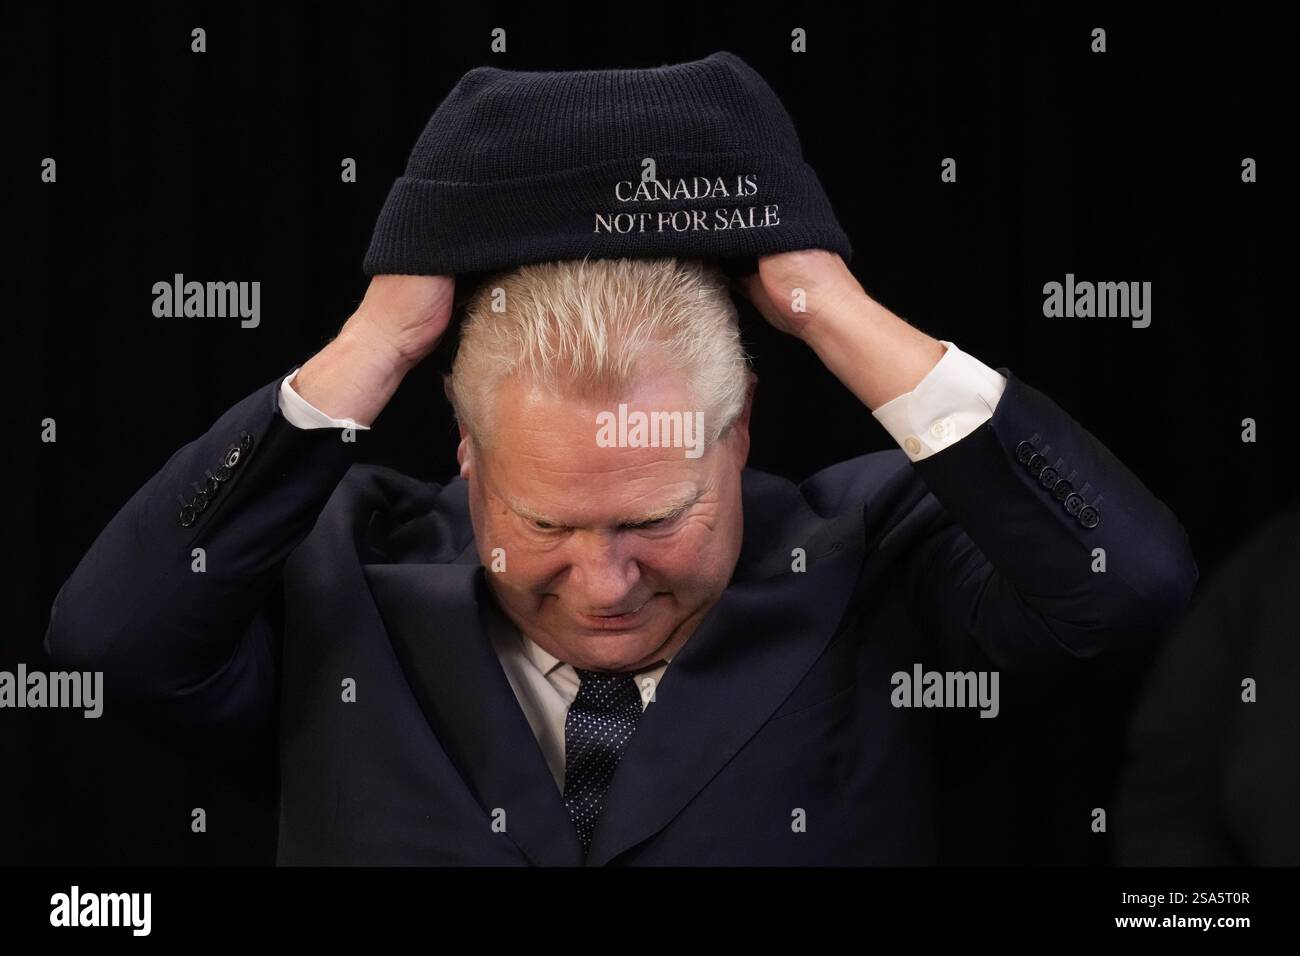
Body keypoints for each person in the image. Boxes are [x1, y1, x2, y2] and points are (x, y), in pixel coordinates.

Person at [44, 248, 1197, 865]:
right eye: (543, 525)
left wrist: (830, 309)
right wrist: (372, 343)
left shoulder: (870, 552)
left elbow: (1128, 583)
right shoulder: (337, 564)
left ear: (736, 434)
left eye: (656, 520)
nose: (604, 584)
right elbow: (110, 640)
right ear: (465, 456)